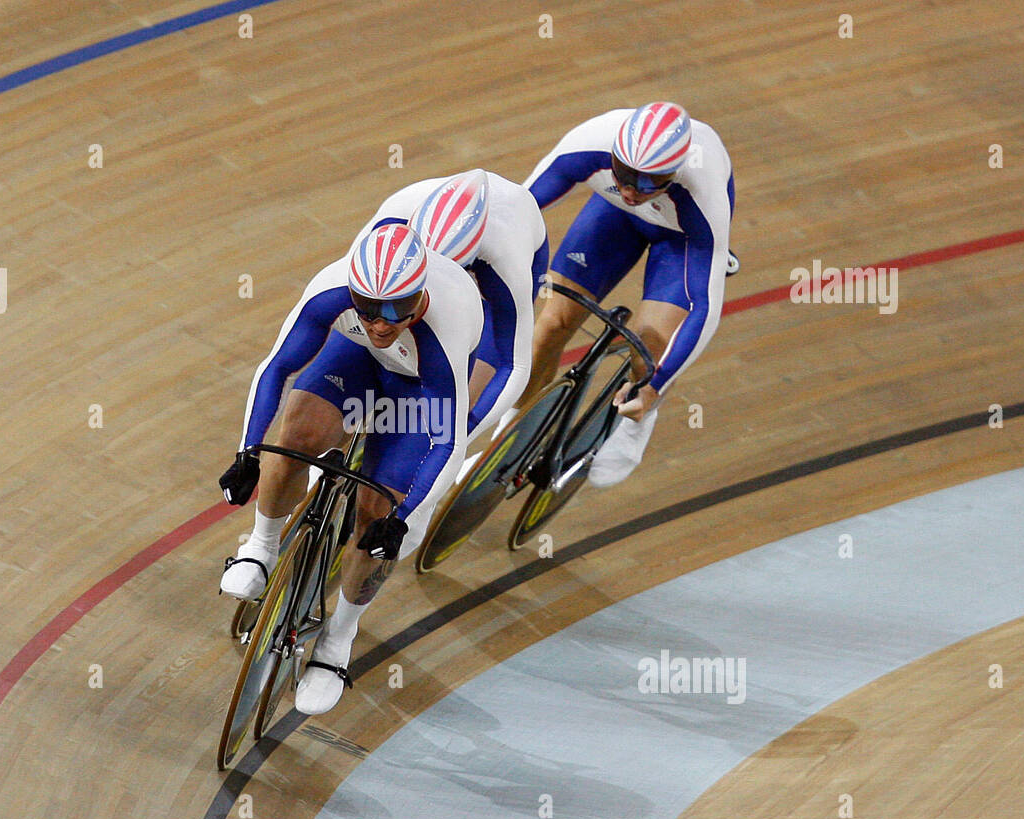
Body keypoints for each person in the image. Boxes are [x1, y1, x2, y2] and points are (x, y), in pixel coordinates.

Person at [218, 224, 482, 715]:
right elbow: (276, 367)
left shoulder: (447, 324)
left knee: (376, 512)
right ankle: (261, 546)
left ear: (420, 297)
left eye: (396, 310)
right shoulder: (331, 290)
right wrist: (247, 451)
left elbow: (450, 439)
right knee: (294, 440)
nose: (381, 323)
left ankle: (338, 639)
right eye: (369, 308)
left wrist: (399, 520)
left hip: (418, 388)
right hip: (355, 360)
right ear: (353, 291)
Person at [522, 102, 735, 485]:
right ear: (615, 155)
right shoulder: (591, 141)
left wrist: (657, 385)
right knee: (551, 325)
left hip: (681, 239)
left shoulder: (703, 192)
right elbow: (516, 210)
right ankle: (512, 438)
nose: (633, 190)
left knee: (647, 348)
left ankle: (637, 423)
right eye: (625, 174)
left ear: (675, 172)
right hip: (614, 216)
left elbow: (704, 306)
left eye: (650, 182)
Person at [350, 169, 549, 463]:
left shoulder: (505, 260)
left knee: (462, 397)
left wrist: (460, 436)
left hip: (488, 291)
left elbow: (514, 365)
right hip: (415, 270)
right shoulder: (395, 215)